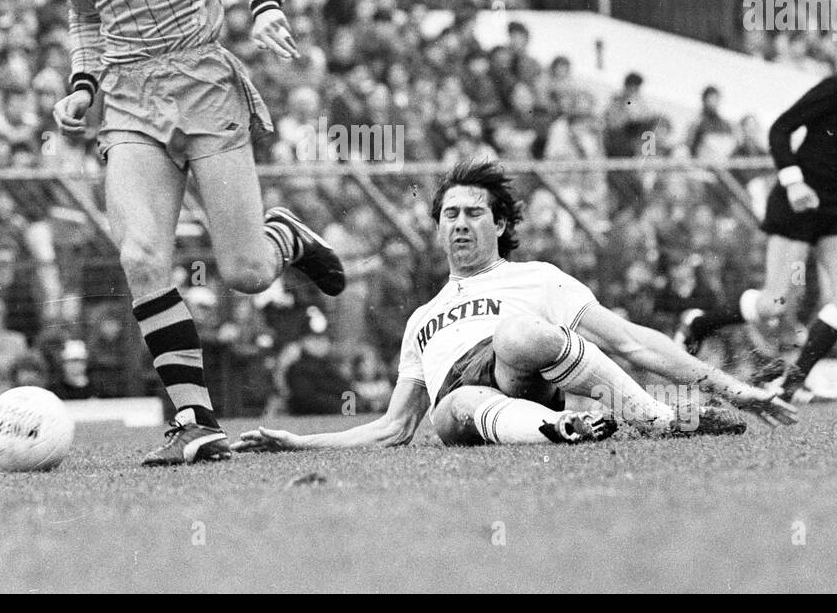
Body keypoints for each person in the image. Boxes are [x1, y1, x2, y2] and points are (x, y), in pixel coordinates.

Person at [32, 0, 345, 465]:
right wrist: (83, 84)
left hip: (202, 77)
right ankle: (195, 420)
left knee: (246, 274)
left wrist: (266, 3)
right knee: (140, 255)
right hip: (130, 96)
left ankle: (283, 239)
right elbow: (87, 17)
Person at [233, 160, 794, 453]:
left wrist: (730, 387)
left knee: (519, 332)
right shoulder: (421, 320)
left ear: (499, 224)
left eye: (472, 213)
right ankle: (565, 427)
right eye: (449, 215)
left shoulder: (537, 279)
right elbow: (392, 429)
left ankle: (655, 419)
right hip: (465, 404)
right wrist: (299, 441)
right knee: (448, 410)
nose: (459, 224)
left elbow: (629, 340)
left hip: (522, 365)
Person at [675, 17, 837, 402]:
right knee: (775, 305)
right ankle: (697, 323)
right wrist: (794, 182)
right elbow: (781, 129)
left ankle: (792, 380)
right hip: (799, 203)